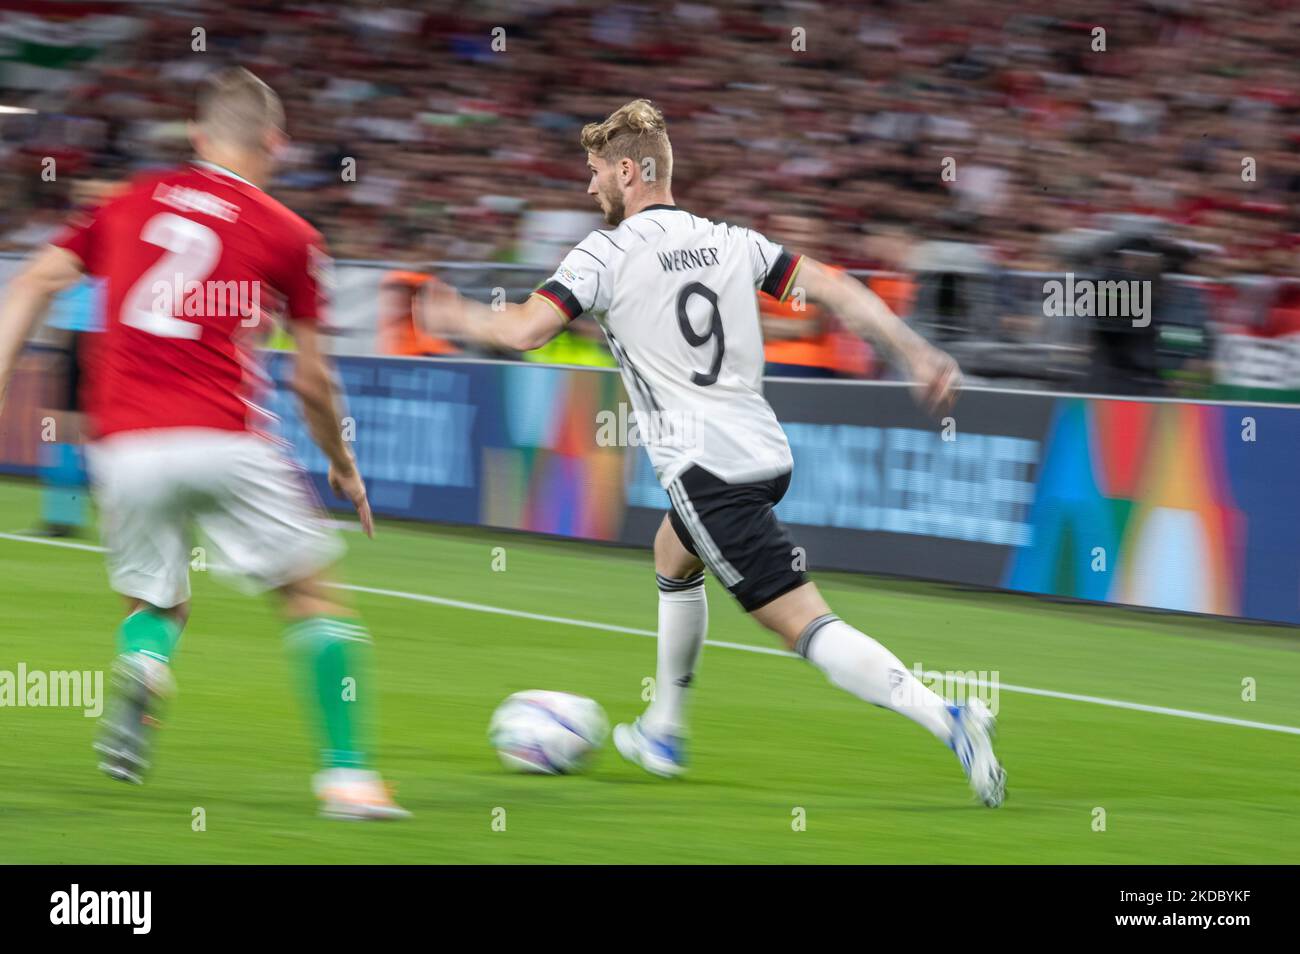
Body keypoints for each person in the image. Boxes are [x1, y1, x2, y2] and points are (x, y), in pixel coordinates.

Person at [422, 100, 1005, 806]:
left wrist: (455, 316)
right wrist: (916, 352)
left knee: (805, 625)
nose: (590, 187)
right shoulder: (733, 241)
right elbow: (838, 288)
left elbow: (526, 332)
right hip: (761, 450)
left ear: (632, 171)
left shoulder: (604, 253)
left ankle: (949, 720)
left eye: (597, 171)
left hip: (710, 474)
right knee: (674, 553)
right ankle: (663, 730)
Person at [0, 67, 407, 820]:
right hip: (225, 437)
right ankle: (348, 780)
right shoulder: (291, 234)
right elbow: (313, 385)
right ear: (275, 145)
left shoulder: (125, 203)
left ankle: (146, 666)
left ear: (196, 138)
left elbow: (30, 282)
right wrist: (344, 469)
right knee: (311, 598)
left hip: (122, 446)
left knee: (157, 598)